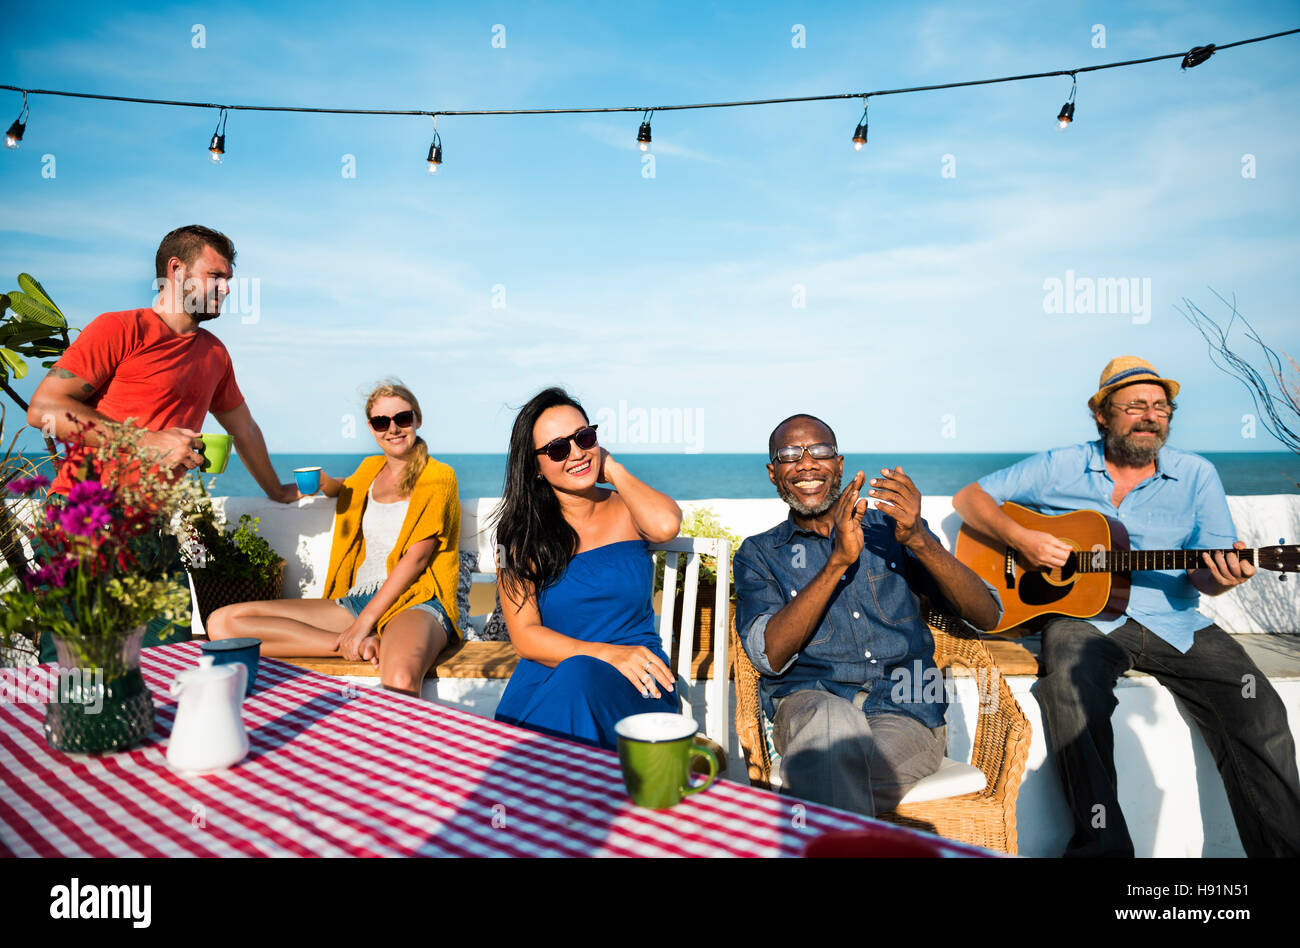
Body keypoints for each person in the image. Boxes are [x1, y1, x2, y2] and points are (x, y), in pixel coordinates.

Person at [952, 355, 1300, 857]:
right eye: (1135, 405)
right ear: (1103, 415)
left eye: (1161, 406)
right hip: (1084, 621)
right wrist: (1024, 540)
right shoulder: (1061, 464)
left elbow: (1207, 575)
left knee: (1258, 707)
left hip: (1174, 621)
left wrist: (1224, 578)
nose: (1150, 415)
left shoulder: (1197, 475)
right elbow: (970, 499)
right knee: (1070, 692)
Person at [25, 225, 298, 657]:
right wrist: (148, 441)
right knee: (75, 680)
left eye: (229, 279)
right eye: (216, 276)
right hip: (86, 526)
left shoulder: (214, 354)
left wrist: (278, 490)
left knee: (168, 670)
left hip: (153, 534)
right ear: (176, 270)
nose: (227, 289)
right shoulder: (118, 329)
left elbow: (243, 429)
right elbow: (44, 411)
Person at [733, 414, 1002, 817]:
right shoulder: (759, 554)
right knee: (831, 724)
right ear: (774, 473)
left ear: (839, 465)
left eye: (819, 452)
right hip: (812, 704)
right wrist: (837, 562)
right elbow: (768, 656)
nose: (806, 463)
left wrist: (920, 541)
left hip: (904, 712)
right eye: (790, 455)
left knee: (832, 772)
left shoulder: (894, 530)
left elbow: (988, 613)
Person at [207, 383, 459, 696]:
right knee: (223, 624)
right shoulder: (370, 470)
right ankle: (347, 646)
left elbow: (417, 559)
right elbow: (349, 489)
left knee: (400, 679)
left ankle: (400, 741)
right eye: (382, 422)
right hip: (359, 599)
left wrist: (363, 623)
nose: (393, 428)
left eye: (402, 418)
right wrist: (325, 485)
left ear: (417, 419)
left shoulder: (439, 477)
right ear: (371, 428)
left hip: (414, 601)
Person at [492, 387, 682, 749]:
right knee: (576, 678)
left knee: (574, 690)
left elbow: (666, 526)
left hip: (636, 677)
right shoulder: (521, 535)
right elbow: (525, 635)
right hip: (552, 675)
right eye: (558, 449)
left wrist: (613, 468)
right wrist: (605, 653)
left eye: (584, 438)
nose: (577, 454)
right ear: (535, 466)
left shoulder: (626, 508)